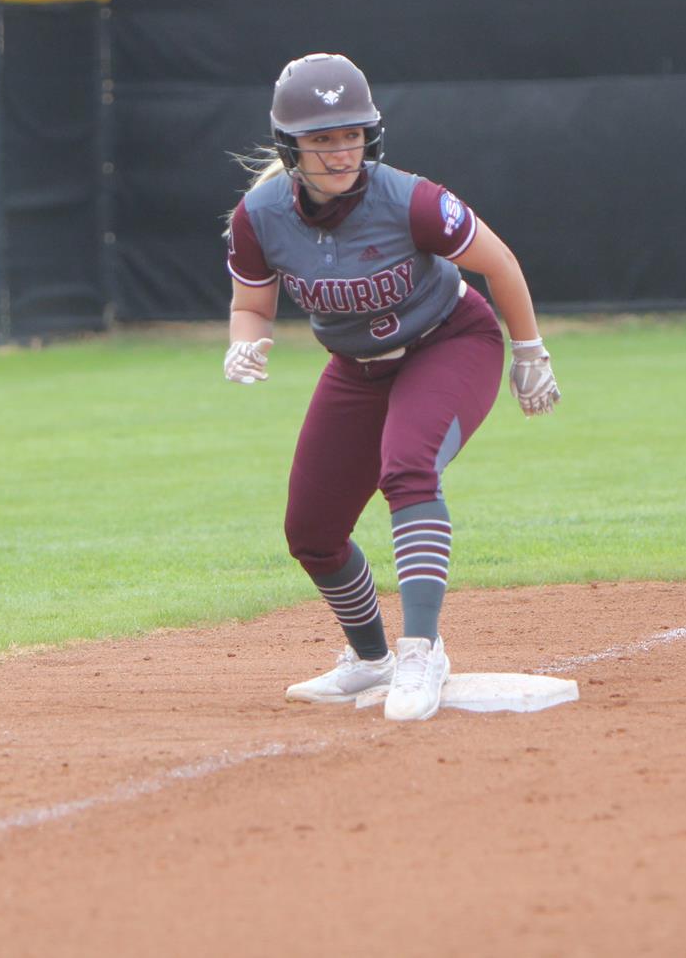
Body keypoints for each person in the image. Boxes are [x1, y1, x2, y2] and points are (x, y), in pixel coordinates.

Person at [223, 52, 560, 722]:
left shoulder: (410, 199)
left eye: (350, 134)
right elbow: (253, 304)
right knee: (312, 530)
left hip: (449, 341)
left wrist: (529, 350)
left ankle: (422, 649)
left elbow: (499, 261)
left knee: (407, 467)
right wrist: (244, 339)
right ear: (291, 146)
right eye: (322, 138)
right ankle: (372, 655)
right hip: (357, 366)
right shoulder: (258, 217)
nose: (340, 150)